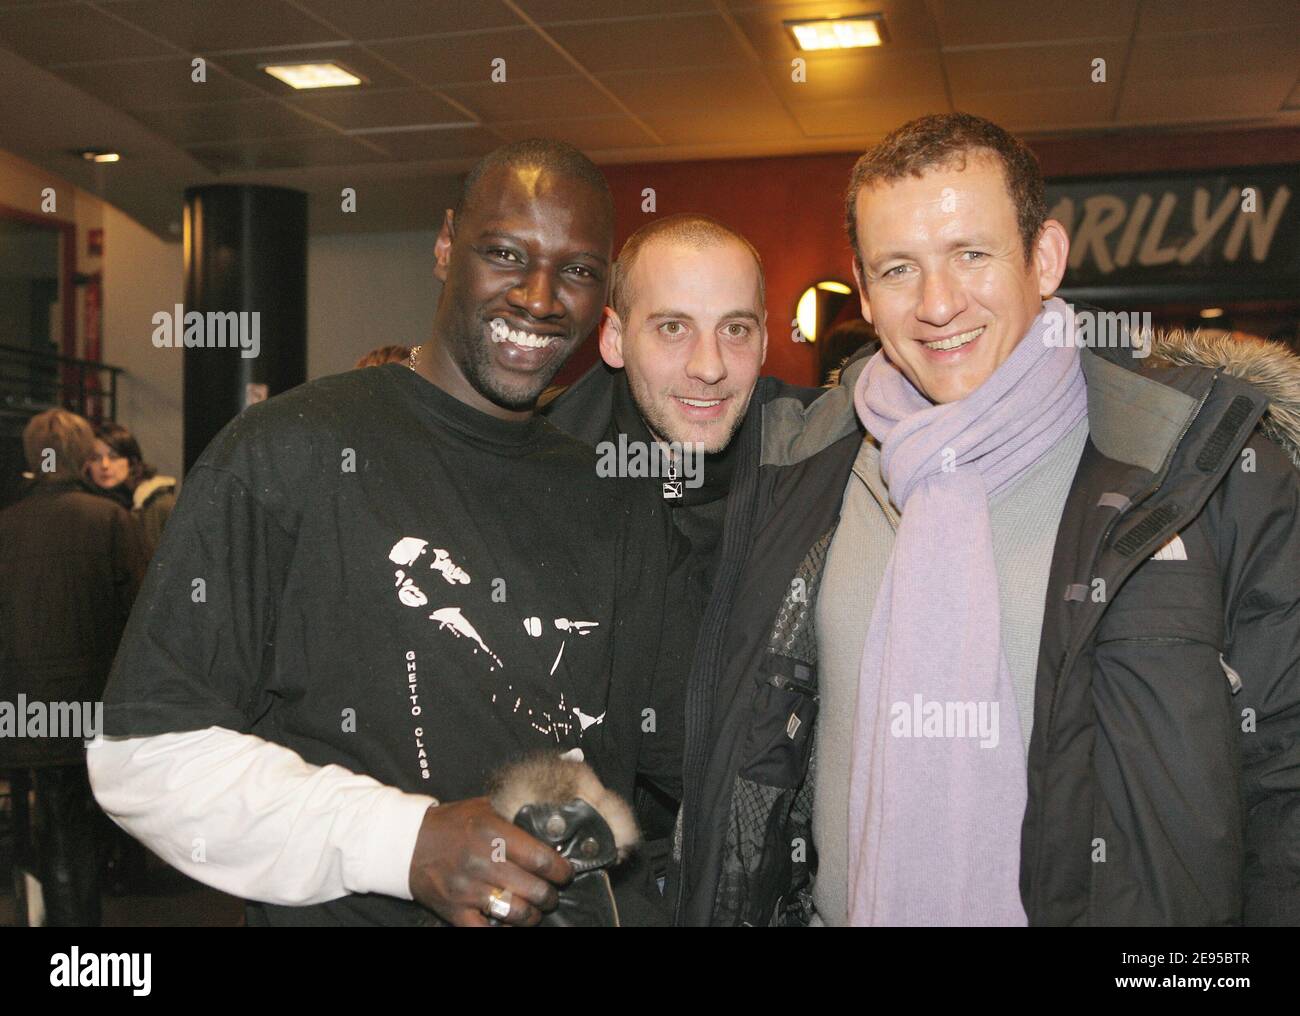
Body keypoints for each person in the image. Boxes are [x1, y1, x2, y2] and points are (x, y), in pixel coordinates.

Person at [680, 112, 1300, 926]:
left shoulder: (1203, 464)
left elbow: (1284, 775)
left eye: (971, 254)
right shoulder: (803, 469)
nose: (938, 305)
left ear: (1044, 258)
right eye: (899, 269)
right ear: (863, 292)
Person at [88, 139, 681, 927]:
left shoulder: (615, 494)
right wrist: (405, 842)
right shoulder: (290, 449)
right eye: (506, 254)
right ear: (444, 247)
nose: (540, 298)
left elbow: (656, 770)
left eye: (576, 270)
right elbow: (142, 755)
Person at [544, 213, 868, 912]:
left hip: (769, 878)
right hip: (593, 890)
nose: (709, 365)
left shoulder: (819, 458)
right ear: (611, 337)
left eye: (736, 329)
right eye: (672, 328)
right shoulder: (541, 479)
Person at [0, 409, 146, 925]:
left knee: (47, 825)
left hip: (17, 701)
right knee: (74, 830)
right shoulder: (110, 520)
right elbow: (141, 617)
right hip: (87, 701)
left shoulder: (8, 524)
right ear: (85, 455)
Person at [85, 421, 178, 556]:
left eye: (114, 457)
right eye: (96, 458)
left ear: (132, 462)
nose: (104, 465)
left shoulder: (158, 504)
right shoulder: (84, 507)